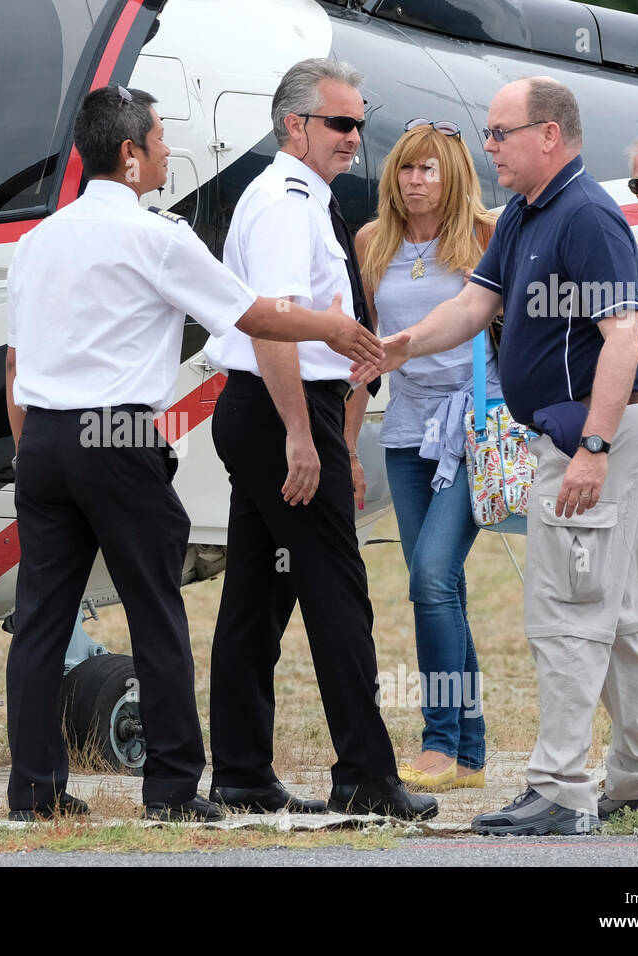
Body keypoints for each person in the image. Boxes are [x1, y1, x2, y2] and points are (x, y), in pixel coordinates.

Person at [3, 84, 383, 823]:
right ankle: (173, 788)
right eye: (161, 139)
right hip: (115, 435)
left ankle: (35, 790)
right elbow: (254, 313)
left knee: (42, 620)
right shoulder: (158, 236)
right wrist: (332, 330)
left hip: (45, 437)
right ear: (130, 154)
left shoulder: (36, 239)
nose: (169, 151)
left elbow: (15, 367)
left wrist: (35, 455)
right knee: (155, 610)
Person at [355, 76, 638, 835]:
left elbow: (625, 338)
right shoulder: (524, 217)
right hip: (588, 433)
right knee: (618, 612)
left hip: (593, 436)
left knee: (567, 615)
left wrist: (592, 448)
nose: (489, 147)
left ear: (549, 135)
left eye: (501, 132)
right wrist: (398, 346)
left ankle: (561, 791)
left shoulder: (587, 217)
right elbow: (475, 306)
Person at [203, 58, 436, 820]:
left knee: (258, 592)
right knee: (338, 590)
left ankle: (240, 770)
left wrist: (324, 430)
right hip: (279, 407)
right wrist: (303, 437)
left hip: (278, 408)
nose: (354, 138)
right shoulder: (285, 201)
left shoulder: (302, 199)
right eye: (340, 123)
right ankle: (365, 773)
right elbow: (271, 323)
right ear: (293, 125)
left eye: (360, 123)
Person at [354, 119, 497, 792]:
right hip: (407, 434)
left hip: (472, 427)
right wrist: (347, 447)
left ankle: (439, 742)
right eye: (408, 168)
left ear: (453, 175)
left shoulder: (483, 236)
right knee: (441, 586)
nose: (417, 180)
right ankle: (470, 752)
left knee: (432, 578)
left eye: (430, 169)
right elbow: (365, 354)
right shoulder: (371, 242)